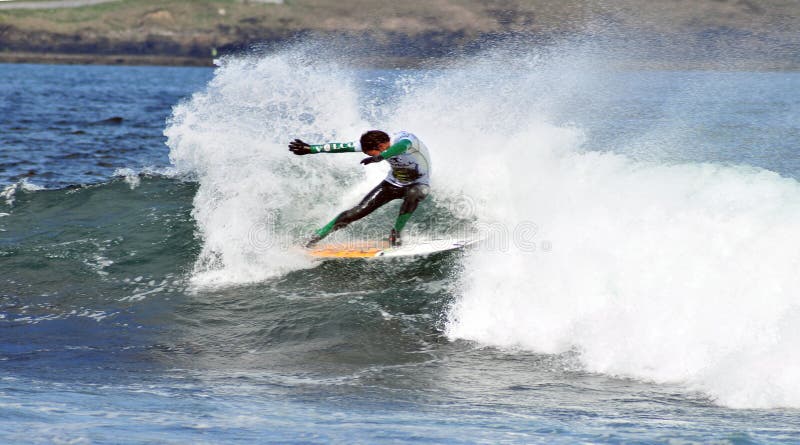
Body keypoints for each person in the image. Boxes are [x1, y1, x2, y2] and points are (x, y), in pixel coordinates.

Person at [289, 130, 431, 248]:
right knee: (354, 212)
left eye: (370, 154)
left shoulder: (405, 139)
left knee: (413, 194)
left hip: (419, 184)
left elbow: (402, 146)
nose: (369, 156)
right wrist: (311, 149)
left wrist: (380, 157)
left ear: (381, 146)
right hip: (392, 184)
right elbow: (343, 147)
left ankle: (396, 234)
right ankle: (313, 239)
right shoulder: (374, 145)